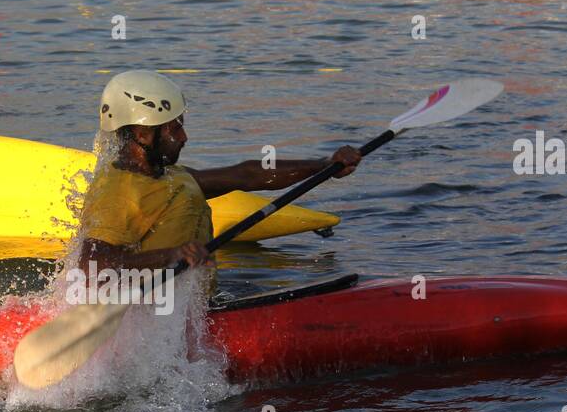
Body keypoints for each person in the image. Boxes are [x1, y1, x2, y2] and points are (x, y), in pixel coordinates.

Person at [79, 70, 361, 285]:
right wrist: (171, 256)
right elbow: (90, 264)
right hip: (153, 317)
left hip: (192, 309)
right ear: (142, 133)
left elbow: (246, 175)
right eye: (174, 130)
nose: (184, 137)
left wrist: (324, 165)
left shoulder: (166, 176)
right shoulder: (119, 193)